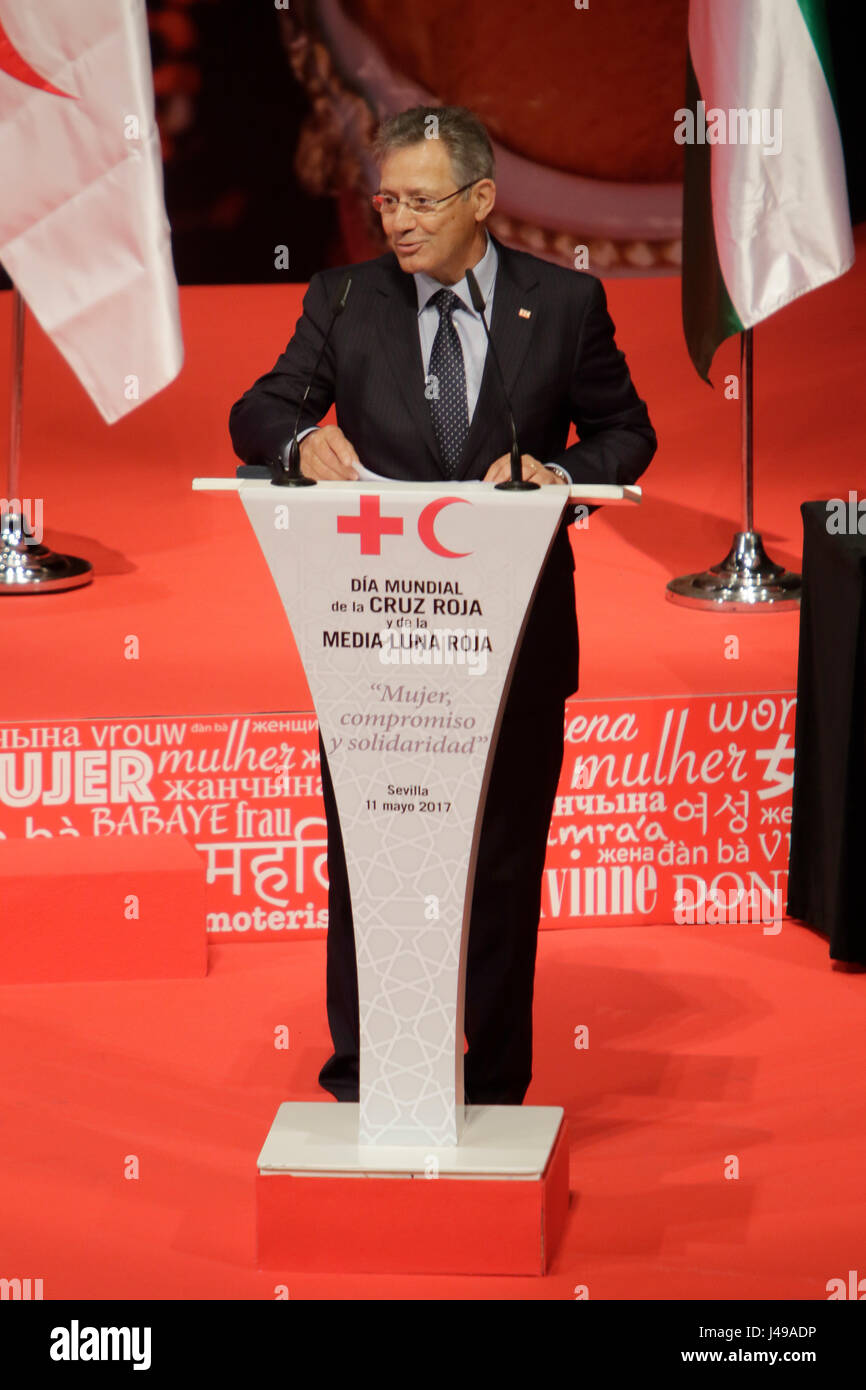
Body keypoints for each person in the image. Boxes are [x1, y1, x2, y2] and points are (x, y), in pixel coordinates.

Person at [229, 105, 656, 1105]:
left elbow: (624, 434)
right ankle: (367, 1077)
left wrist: (556, 468)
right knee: (373, 863)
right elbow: (259, 408)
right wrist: (297, 446)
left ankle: (496, 1082)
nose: (396, 223)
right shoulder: (342, 299)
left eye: (420, 202)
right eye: (384, 201)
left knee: (502, 872)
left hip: (511, 639)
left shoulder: (562, 304)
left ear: (480, 201)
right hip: (378, 642)